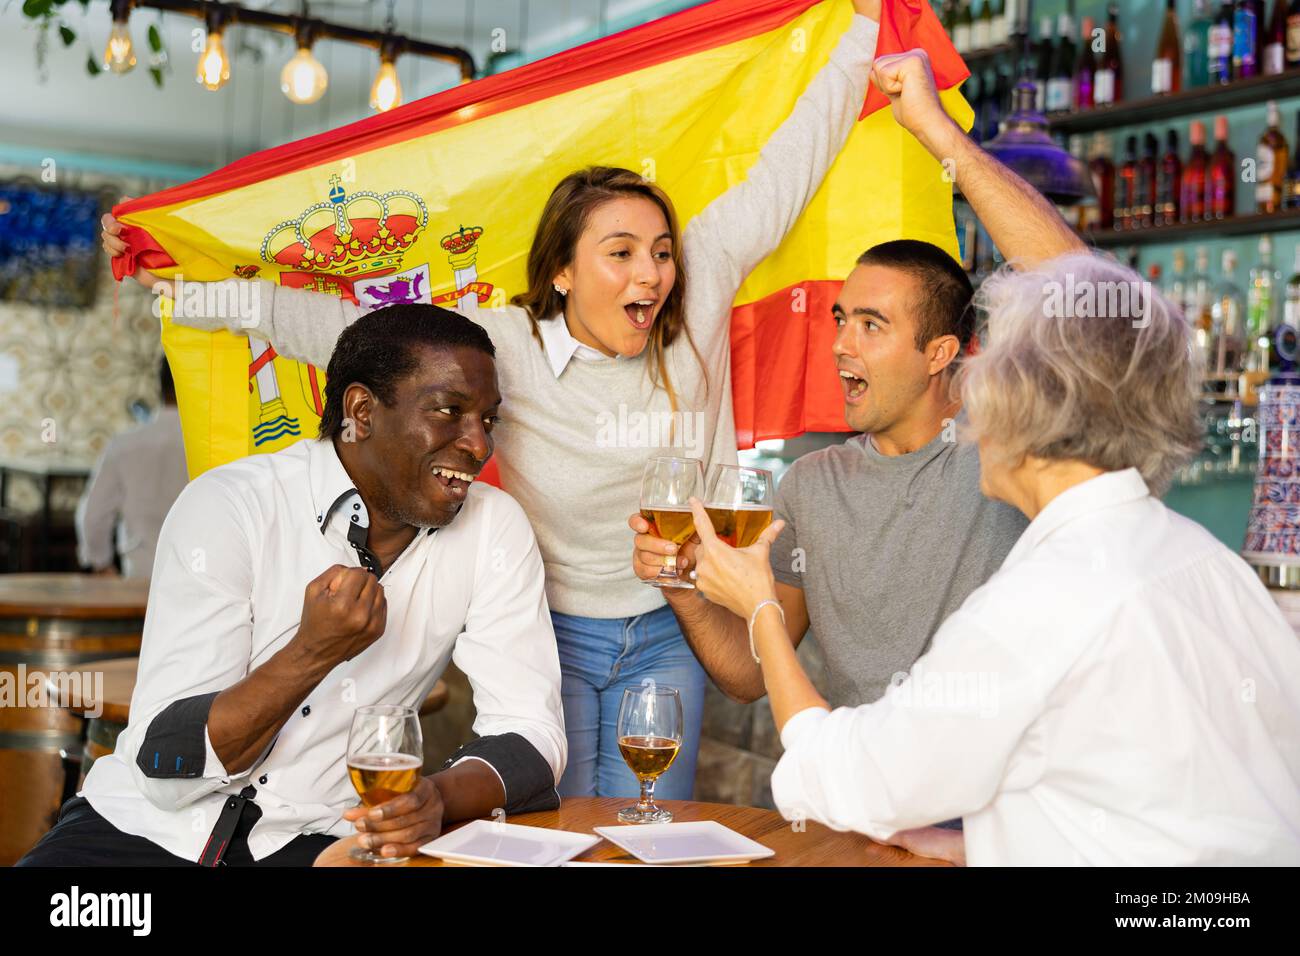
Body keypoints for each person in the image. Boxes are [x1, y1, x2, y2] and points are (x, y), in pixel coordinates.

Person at [100, 0, 887, 801]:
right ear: (562, 273)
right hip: (557, 632)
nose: (650, 274)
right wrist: (178, 284)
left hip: (671, 626)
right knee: (565, 820)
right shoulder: (500, 344)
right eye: (619, 254)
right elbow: (338, 325)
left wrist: (862, 29)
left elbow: (793, 164)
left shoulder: (703, 285)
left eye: (658, 253)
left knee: (650, 826)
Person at [683, 49, 1300, 866]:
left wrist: (759, 603)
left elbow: (856, 776)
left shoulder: (1040, 603)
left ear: (1012, 407)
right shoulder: (1207, 567)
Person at [19, 305, 566, 866]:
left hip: (325, 838)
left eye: (488, 420)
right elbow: (166, 769)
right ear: (362, 410)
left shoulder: (494, 528)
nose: (479, 445)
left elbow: (532, 734)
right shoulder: (230, 506)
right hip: (140, 833)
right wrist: (311, 652)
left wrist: (434, 798)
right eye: (449, 412)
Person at [75, 357, 189, 579]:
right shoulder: (216, 449)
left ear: (160, 385)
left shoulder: (124, 444)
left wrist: (101, 564)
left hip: (138, 579)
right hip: (200, 585)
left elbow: (92, 517)